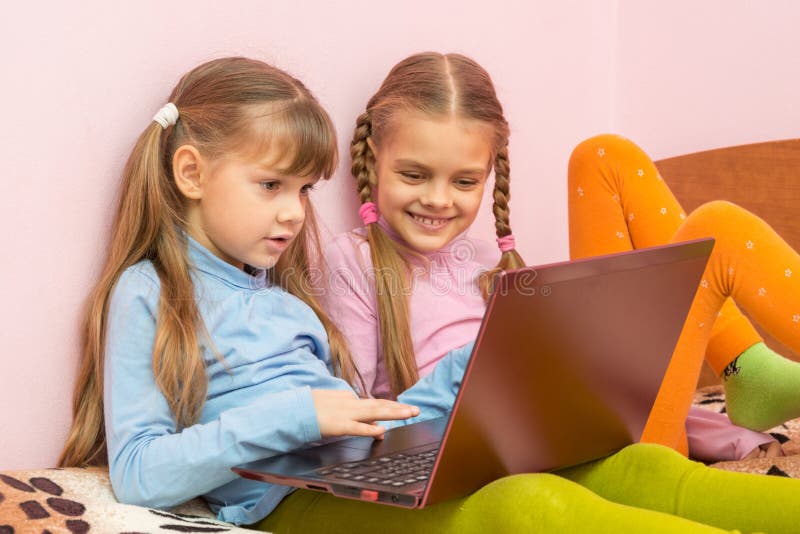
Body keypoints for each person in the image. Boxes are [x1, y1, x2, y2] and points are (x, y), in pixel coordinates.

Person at [303, 51, 800, 533]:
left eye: (464, 181)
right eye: (414, 175)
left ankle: (742, 366)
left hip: (587, 435)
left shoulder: (486, 260)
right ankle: (749, 369)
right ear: (374, 156)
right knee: (718, 228)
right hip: (542, 457)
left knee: (603, 156)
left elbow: (579, 389)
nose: (437, 198)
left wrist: (722, 435)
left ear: (489, 174)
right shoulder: (352, 266)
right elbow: (365, 425)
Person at [56, 56, 465, 526]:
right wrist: (296, 417)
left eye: (305, 189)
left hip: (352, 479)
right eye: (271, 185)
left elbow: (368, 431)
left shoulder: (293, 306)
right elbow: (138, 473)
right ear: (192, 173)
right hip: (285, 499)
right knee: (525, 505)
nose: (295, 212)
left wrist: (465, 372)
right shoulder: (151, 291)